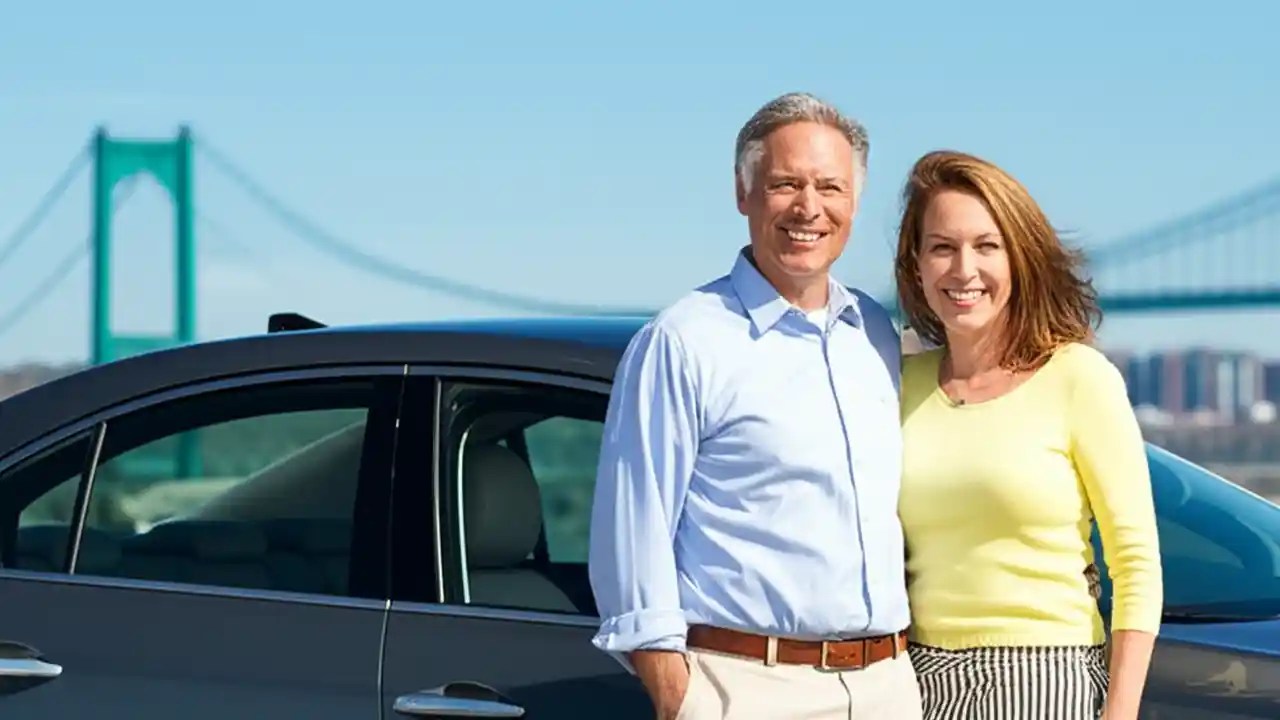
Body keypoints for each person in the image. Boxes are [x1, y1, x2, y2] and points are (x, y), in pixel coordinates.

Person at [588, 92, 922, 719]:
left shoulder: (873, 332)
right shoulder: (684, 340)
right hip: (749, 687)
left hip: (888, 687)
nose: (809, 208)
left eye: (831, 187)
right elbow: (632, 533)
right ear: (743, 194)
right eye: (785, 184)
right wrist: (678, 695)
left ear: (854, 202)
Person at [894, 150, 1163, 720]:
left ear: (1020, 258)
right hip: (915, 681)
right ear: (915, 265)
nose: (963, 269)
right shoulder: (898, 386)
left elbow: (1135, 563)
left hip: (1046, 676)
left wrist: (1119, 715)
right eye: (942, 247)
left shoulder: (1078, 379)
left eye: (986, 246)